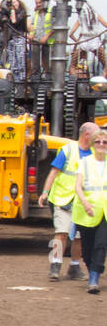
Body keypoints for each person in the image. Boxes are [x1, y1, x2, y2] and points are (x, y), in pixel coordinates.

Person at [39, 122, 98, 280]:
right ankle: (56, 266)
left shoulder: (94, 153)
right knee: (61, 234)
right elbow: (53, 173)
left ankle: (74, 267)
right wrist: (45, 192)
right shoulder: (68, 150)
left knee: (78, 237)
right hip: (62, 198)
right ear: (86, 135)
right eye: (95, 135)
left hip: (82, 202)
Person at [72, 128, 107, 294]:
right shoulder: (85, 162)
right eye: (98, 142)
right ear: (92, 144)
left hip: (105, 212)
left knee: (101, 245)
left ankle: (94, 280)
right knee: (87, 248)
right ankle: (91, 267)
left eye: (104, 142)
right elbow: (78, 186)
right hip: (87, 211)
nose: (101, 145)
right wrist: (85, 203)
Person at [70, 0, 106, 77]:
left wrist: (78, 41)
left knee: (72, 67)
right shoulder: (96, 15)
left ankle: (81, 80)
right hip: (96, 42)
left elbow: (71, 34)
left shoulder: (80, 18)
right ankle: (101, 82)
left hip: (83, 43)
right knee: (106, 65)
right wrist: (104, 40)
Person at [0, 0, 28, 81]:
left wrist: (12, 10)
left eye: (15, 2)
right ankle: (14, 78)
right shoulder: (9, 12)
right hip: (11, 39)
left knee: (20, 59)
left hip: (19, 38)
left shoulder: (22, 12)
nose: (14, 4)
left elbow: (14, 21)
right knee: (12, 60)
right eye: (12, 2)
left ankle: (22, 79)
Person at [29, 0, 53, 76]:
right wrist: (31, 34)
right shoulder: (35, 13)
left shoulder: (51, 12)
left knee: (47, 62)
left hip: (47, 41)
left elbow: (55, 26)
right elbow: (32, 24)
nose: (38, 4)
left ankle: (48, 78)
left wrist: (46, 37)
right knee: (35, 61)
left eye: (40, 2)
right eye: (37, 3)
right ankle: (36, 78)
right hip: (36, 39)